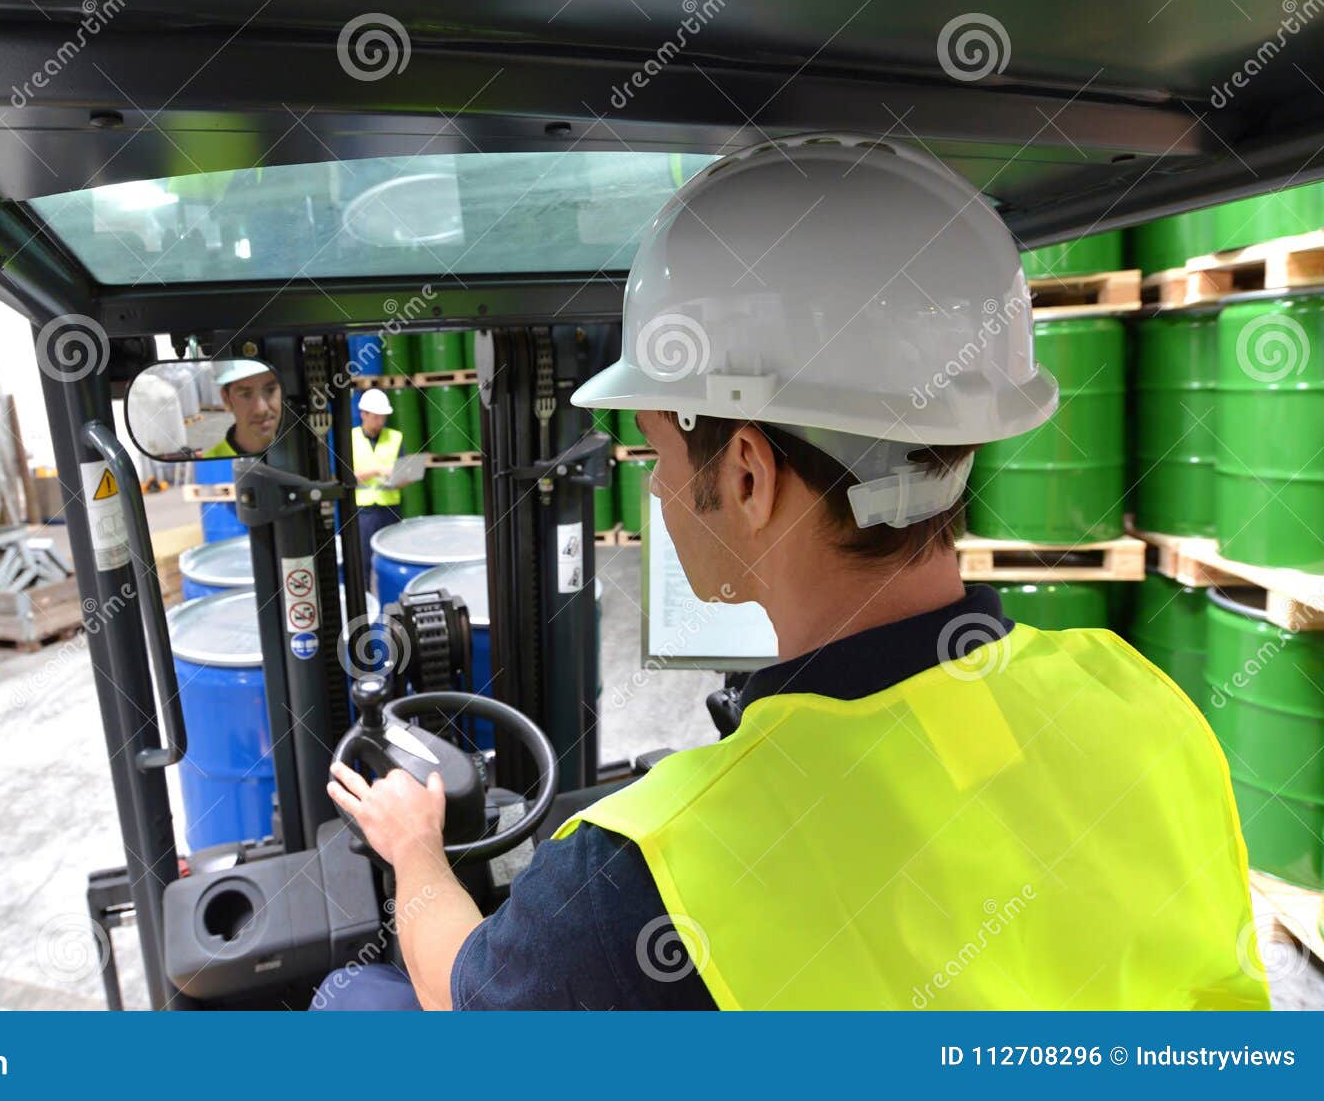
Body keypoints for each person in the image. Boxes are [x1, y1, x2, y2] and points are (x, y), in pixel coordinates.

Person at [318, 134, 1270, 1011]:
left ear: (744, 472)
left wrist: (414, 852)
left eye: (653, 451)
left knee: (352, 1004)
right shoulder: (1141, 703)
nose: (651, 491)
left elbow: (468, 1001)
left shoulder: (644, 878)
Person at [351, 388, 403, 571]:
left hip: (391, 509)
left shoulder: (395, 437)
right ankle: (366, 597)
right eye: (376, 416)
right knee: (364, 560)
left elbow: (401, 474)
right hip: (364, 511)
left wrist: (403, 476)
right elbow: (345, 477)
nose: (381, 420)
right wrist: (377, 470)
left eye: (383, 416)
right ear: (363, 414)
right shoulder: (350, 439)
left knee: (393, 556)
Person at [202, 359, 282, 457]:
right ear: (226, 398)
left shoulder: (301, 450)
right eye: (245, 394)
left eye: (270, 390)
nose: (261, 409)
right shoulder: (211, 466)